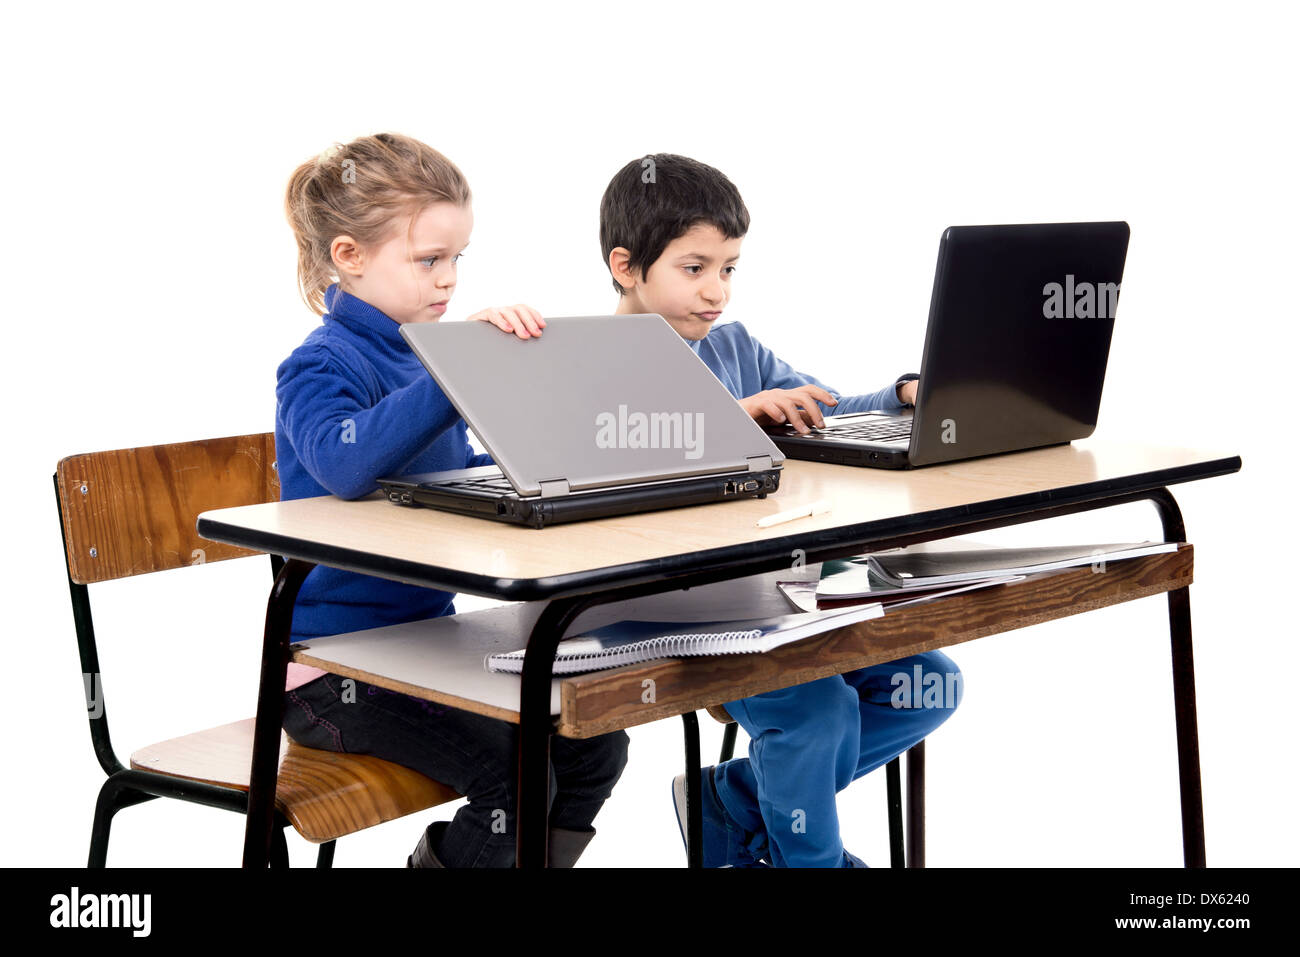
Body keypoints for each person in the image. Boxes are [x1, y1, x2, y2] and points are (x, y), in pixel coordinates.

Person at [482, 152, 961, 867]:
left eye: (729, 269)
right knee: (817, 712)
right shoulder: (580, 356)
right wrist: (735, 419)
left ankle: (730, 805)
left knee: (926, 683)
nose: (717, 293)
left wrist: (900, 394)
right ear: (625, 265)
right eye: (694, 268)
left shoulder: (732, 346)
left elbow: (817, 409)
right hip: (641, 609)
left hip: (753, 595)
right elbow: (601, 459)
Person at [274, 132, 627, 867]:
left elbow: (442, 477)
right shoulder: (318, 364)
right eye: (430, 259)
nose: (450, 279)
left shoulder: (423, 349)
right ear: (349, 257)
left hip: (428, 647)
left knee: (594, 742)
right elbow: (347, 464)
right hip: (332, 674)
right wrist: (454, 374)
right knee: (514, 776)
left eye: (458, 258)